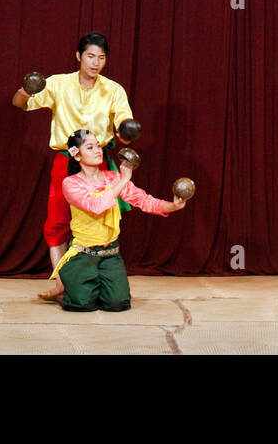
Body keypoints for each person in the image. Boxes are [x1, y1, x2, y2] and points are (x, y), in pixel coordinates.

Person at [13, 32, 137, 300]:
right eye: (91, 56)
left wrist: (126, 133)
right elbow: (19, 104)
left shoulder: (113, 90)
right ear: (79, 56)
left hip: (98, 162)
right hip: (66, 160)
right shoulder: (58, 84)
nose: (96, 62)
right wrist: (25, 90)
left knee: (101, 220)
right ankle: (61, 282)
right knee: (57, 222)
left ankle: (98, 279)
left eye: (101, 57)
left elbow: (124, 125)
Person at [51, 130, 184, 312]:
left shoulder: (112, 178)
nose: (98, 150)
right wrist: (124, 180)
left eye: (98, 145)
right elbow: (96, 205)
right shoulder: (71, 183)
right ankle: (76, 286)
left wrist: (173, 206)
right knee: (82, 304)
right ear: (76, 154)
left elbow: (143, 200)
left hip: (110, 255)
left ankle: (97, 285)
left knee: (118, 303)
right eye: (90, 147)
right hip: (82, 255)